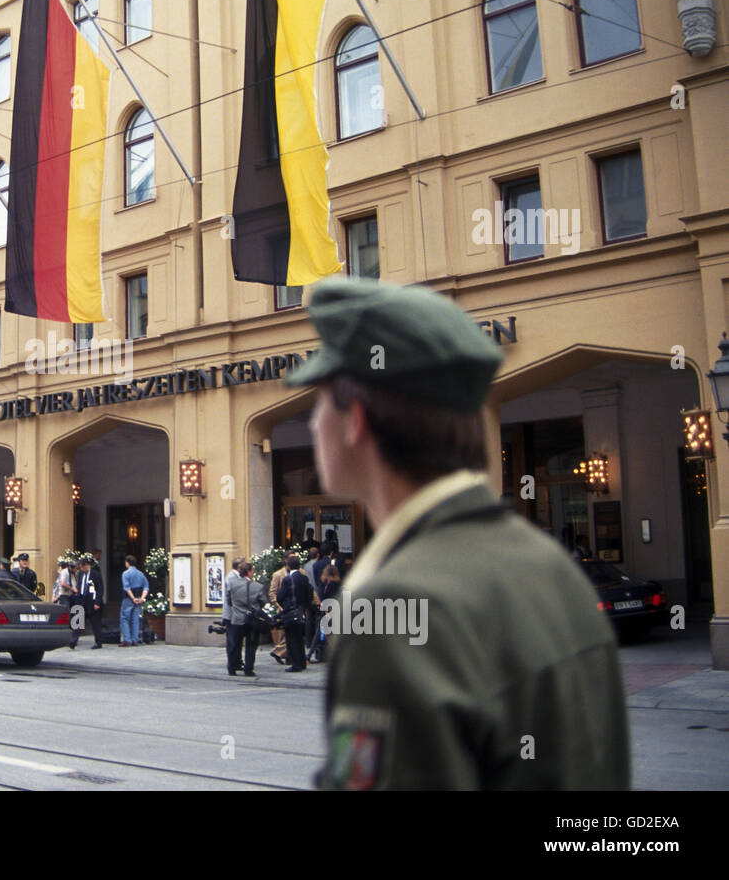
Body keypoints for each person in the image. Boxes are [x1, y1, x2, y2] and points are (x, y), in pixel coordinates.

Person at [286, 276, 627, 789]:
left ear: (355, 420)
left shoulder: (394, 604)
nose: (312, 424)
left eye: (318, 403)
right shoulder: (551, 566)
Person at [224, 561, 268, 676]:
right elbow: (263, 602)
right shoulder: (258, 586)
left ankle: (232, 668)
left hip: (237, 619)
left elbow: (229, 600)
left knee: (235, 644)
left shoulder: (232, 584)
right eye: (252, 570)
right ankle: (248, 669)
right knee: (251, 645)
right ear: (249, 572)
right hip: (252, 620)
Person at [277, 553, 315, 672]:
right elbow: (309, 592)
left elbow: (280, 596)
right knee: (299, 638)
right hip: (301, 610)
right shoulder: (303, 578)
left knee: (291, 639)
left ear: (288, 566)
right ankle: (302, 662)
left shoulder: (288, 579)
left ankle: (296, 664)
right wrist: (305, 606)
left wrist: (285, 604)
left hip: (290, 612)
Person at [75, 556, 105, 648]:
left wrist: (97, 602)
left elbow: (100, 589)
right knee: (78, 620)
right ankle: (73, 640)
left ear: (88, 565)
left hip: (92, 601)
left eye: (83, 567)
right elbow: (79, 585)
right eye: (81, 567)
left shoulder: (95, 574)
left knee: (95, 622)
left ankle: (98, 642)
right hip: (82, 600)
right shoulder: (80, 574)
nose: (82, 569)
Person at [119, 555, 149, 646]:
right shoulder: (141, 574)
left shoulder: (125, 574)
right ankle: (135, 640)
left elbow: (127, 588)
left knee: (124, 618)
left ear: (127, 563)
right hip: (139, 597)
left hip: (129, 598)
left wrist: (133, 598)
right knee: (135, 619)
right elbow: (146, 587)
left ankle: (127, 639)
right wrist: (141, 598)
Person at [267, 555, 292, 665]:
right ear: (286, 560)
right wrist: (278, 605)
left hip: (294, 608)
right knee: (285, 634)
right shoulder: (277, 574)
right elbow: (272, 593)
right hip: (283, 608)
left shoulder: (300, 571)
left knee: (290, 635)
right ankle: (279, 653)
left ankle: (282, 654)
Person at [221, 557, 244, 628]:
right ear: (239, 567)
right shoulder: (232, 577)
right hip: (232, 615)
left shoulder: (236, 576)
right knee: (233, 637)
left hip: (234, 614)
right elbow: (232, 595)